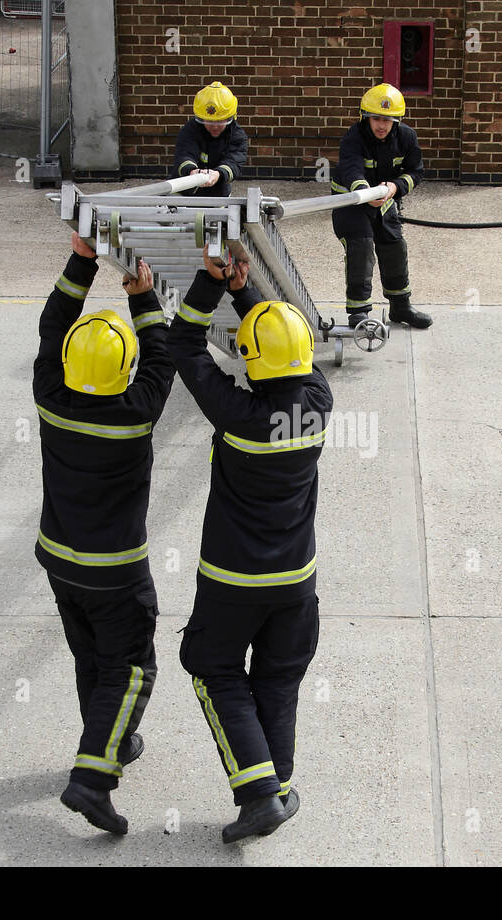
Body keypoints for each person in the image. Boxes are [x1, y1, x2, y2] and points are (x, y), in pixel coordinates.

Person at [167, 251, 332, 843]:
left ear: (249, 360)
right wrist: (244, 292)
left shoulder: (236, 413)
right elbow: (280, 342)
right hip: (296, 582)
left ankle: (260, 792)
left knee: (211, 666)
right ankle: (278, 788)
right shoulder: (318, 401)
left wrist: (211, 285)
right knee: (278, 679)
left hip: (232, 582)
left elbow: (183, 346)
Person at [34, 231, 175, 835]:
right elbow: (165, 359)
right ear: (122, 374)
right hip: (114, 570)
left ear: (68, 362)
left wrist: (80, 262)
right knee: (131, 666)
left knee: (91, 656)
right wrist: (143, 297)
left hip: (60, 562)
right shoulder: (133, 415)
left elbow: (51, 326)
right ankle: (92, 779)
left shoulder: (50, 394)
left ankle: (111, 741)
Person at [331, 82, 432, 329]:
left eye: (388, 120)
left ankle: (400, 306)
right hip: (352, 203)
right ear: (365, 117)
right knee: (361, 248)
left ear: (396, 120)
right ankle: (359, 313)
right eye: (376, 118)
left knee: (395, 247)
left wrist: (396, 187)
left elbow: (415, 172)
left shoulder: (406, 137)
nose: (381, 125)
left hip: (385, 203)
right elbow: (351, 168)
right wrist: (364, 191)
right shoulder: (354, 137)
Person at [173, 81, 249, 198]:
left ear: (230, 118)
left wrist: (218, 174)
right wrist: (192, 171)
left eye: (220, 121)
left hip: (218, 194)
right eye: (209, 121)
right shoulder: (190, 130)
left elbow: (234, 161)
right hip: (184, 189)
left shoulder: (237, 135)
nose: (214, 126)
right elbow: (184, 153)